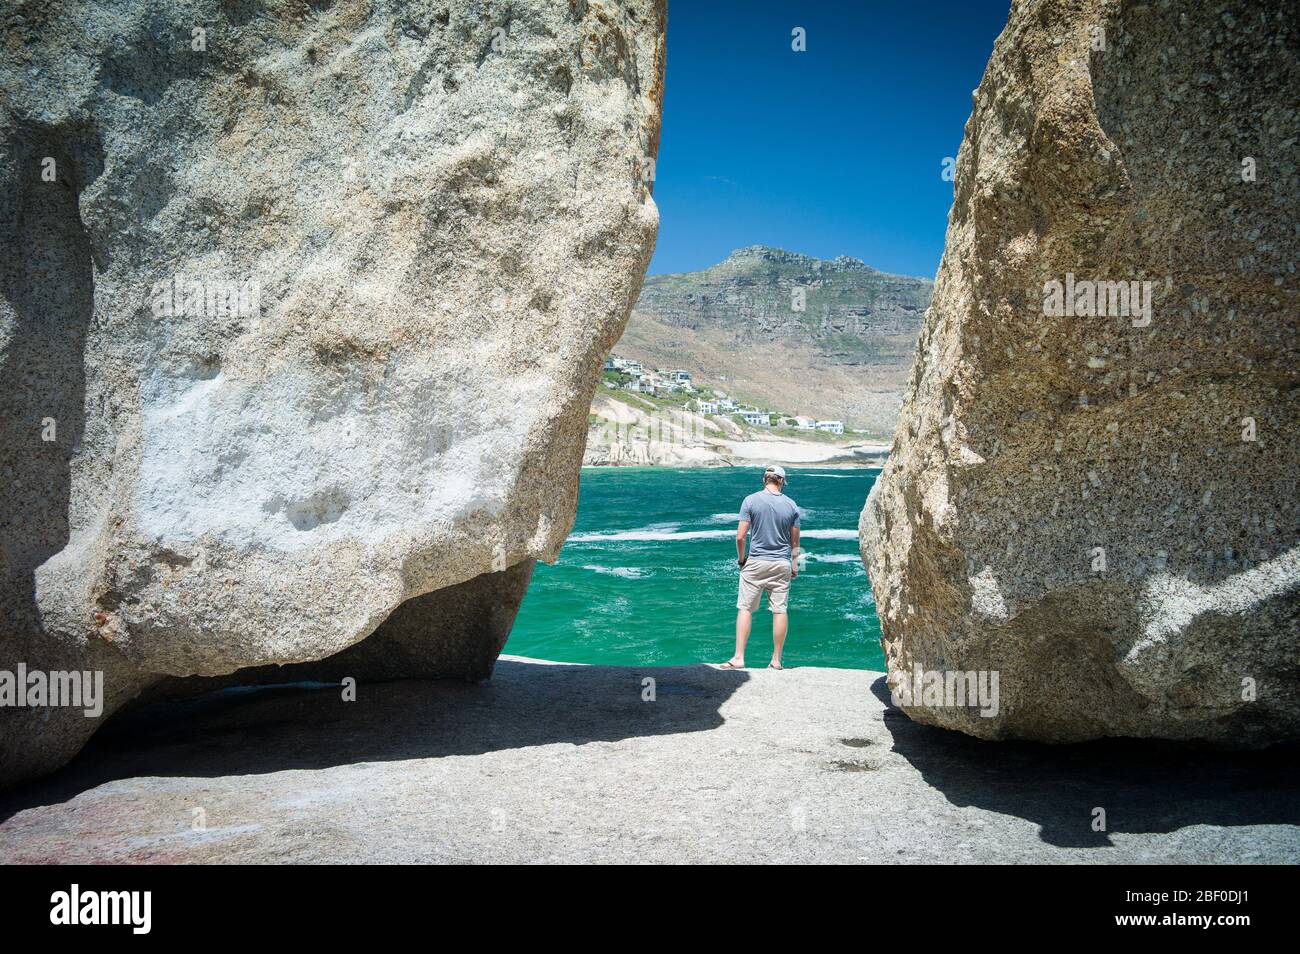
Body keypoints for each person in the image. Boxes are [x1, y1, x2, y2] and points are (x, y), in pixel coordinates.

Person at [719, 465, 801, 670]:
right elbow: (795, 543)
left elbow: (740, 536)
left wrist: (741, 559)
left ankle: (738, 658)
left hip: (756, 561)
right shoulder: (792, 505)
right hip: (781, 562)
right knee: (780, 610)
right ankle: (776, 660)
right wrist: (794, 565)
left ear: (765, 479)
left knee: (745, 608)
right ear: (781, 481)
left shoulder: (750, 500)